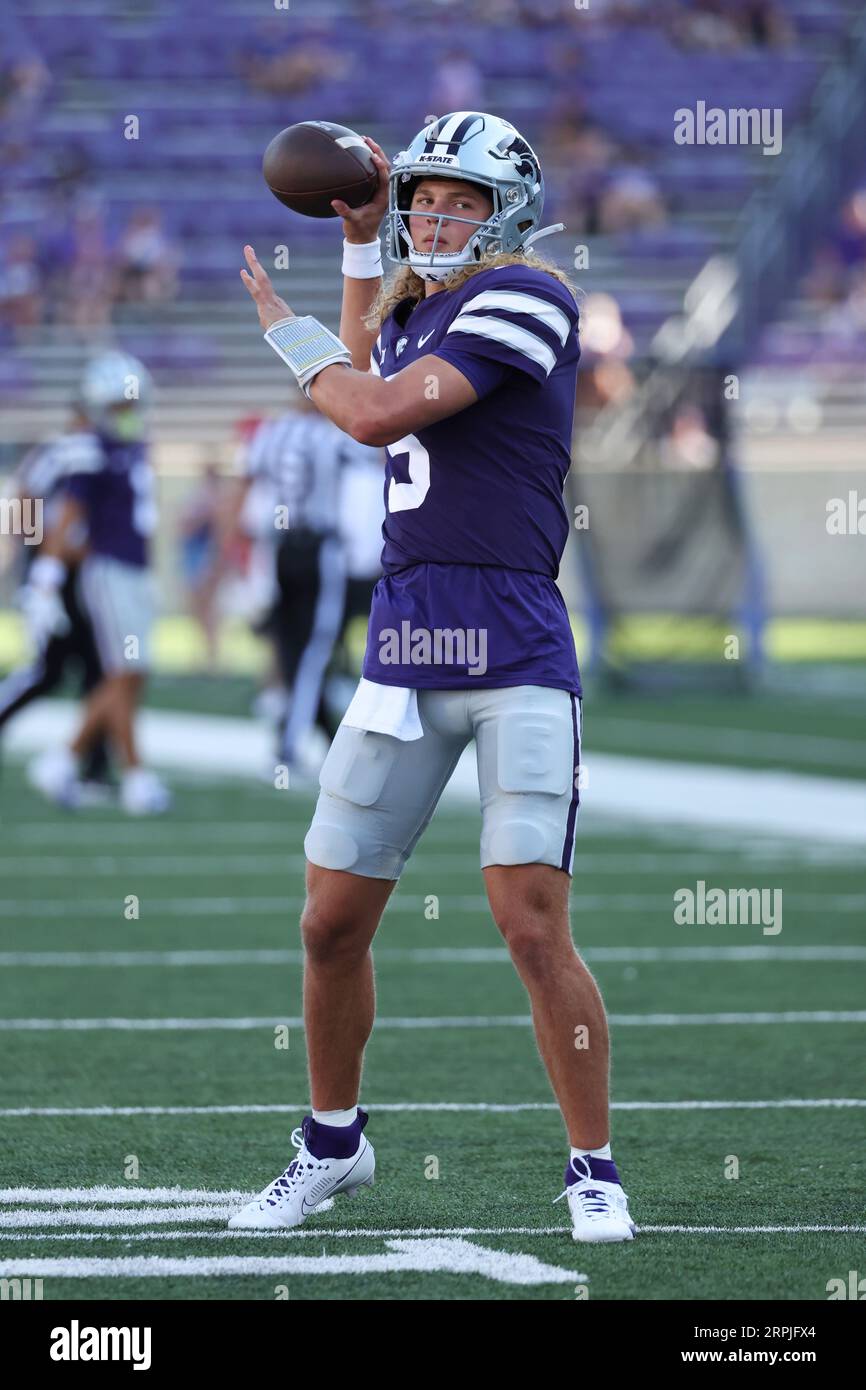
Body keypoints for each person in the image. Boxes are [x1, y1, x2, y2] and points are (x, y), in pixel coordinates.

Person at [231, 112, 635, 1243]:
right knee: (328, 921)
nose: (434, 216)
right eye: (421, 198)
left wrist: (286, 333)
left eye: (458, 201)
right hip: (405, 643)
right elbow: (367, 361)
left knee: (528, 921)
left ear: (504, 209)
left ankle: (592, 1167)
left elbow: (366, 408)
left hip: (508, 641)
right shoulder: (414, 300)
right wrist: (362, 248)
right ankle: (330, 1145)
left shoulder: (530, 298)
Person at [26, 351, 171, 816]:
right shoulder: (89, 451)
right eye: (118, 407)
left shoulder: (131, 447)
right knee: (122, 671)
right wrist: (45, 577)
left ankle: (91, 766)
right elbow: (68, 516)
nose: (127, 414)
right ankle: (122, 773)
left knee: (131, 673)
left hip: (130, 569)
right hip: (108, 571)